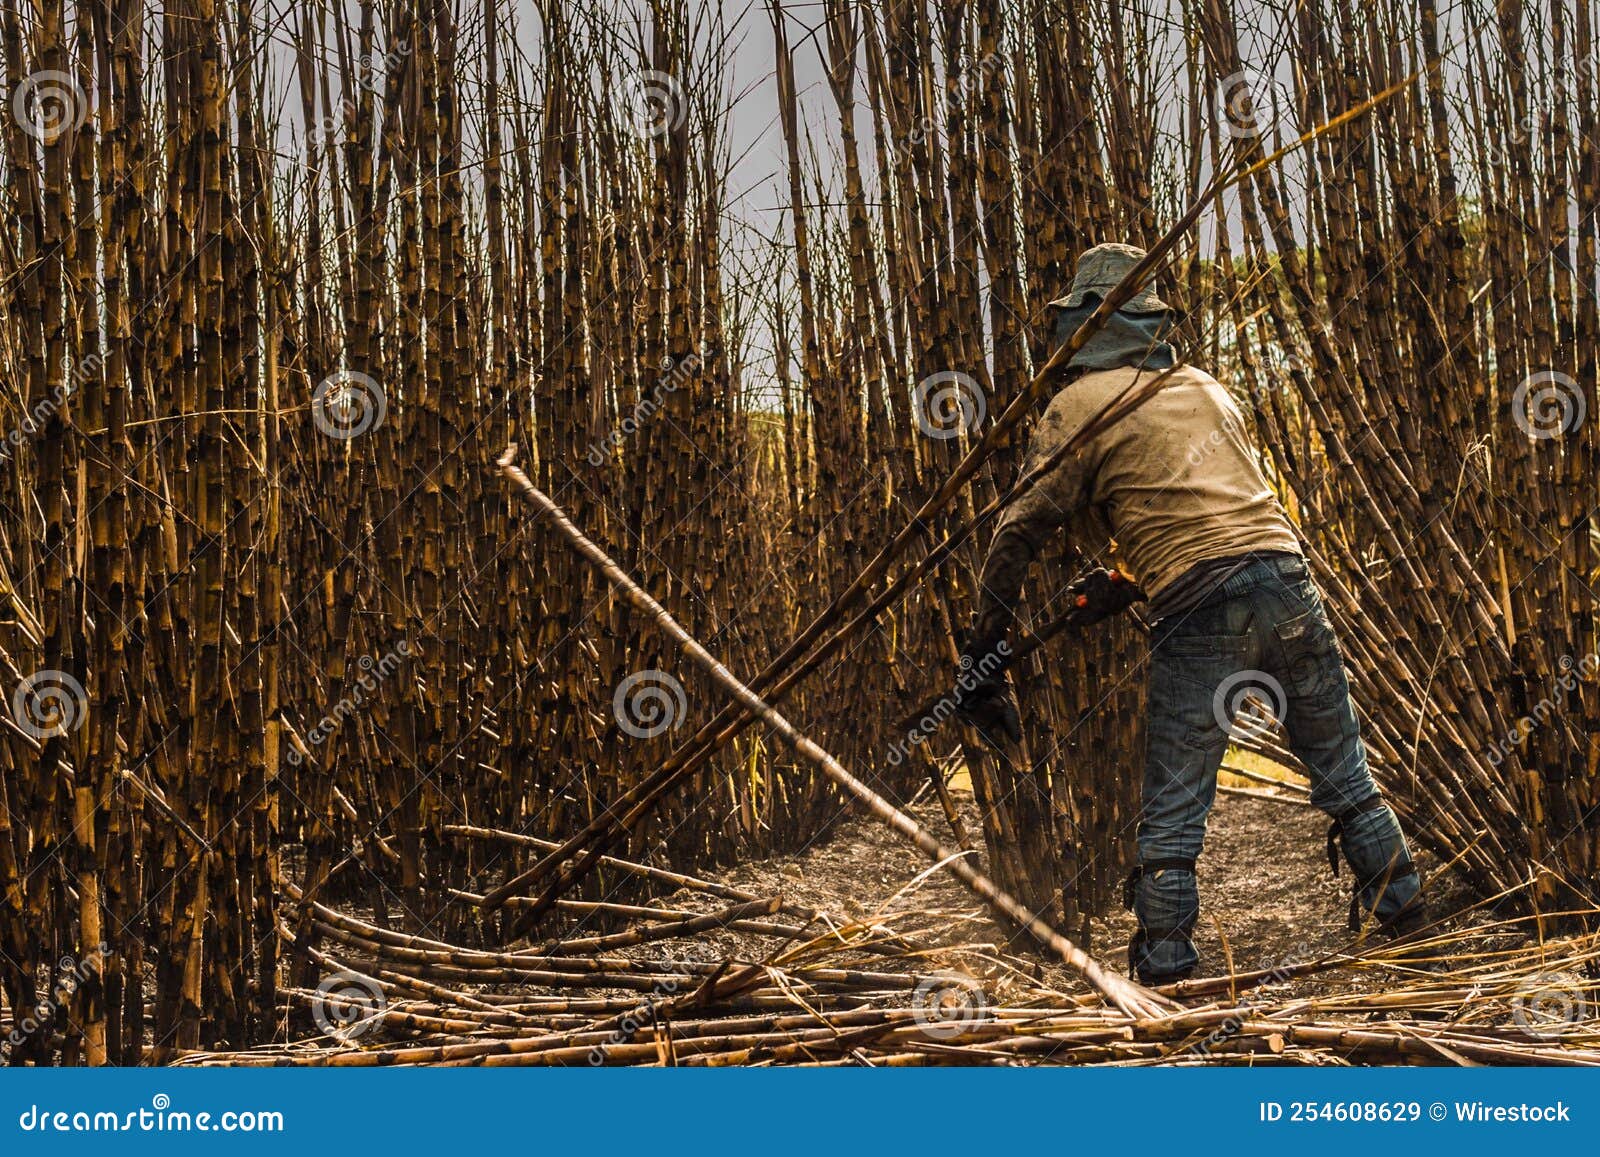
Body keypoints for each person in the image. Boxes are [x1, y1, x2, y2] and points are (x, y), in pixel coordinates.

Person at [953, 242, 1425, 984]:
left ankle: (1167, 959)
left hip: (1201, 607)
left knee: (1174, 801)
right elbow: (1213, 513)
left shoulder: (1075, 407)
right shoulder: (1204, 386)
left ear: (1081, 328)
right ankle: (1404, 909)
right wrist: (1125, 578)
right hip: (1290, 581)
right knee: (1344, 771)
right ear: (1149, 322)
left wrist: (981, 650)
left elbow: (1018, 531)